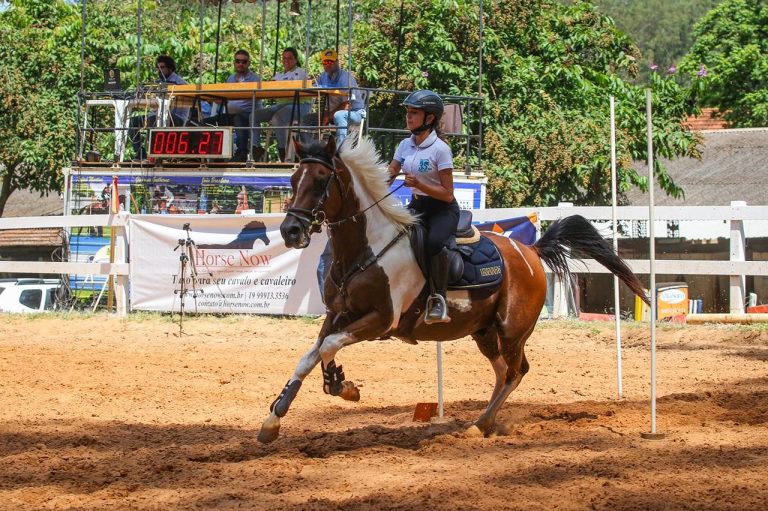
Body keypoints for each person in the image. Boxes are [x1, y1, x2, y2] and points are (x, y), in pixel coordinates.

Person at [387, 90, 458, 324]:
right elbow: (390, 173)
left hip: (442, 209)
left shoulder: (440, 149)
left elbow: (448, 194)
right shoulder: (404, 145)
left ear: (429, 118)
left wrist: (419, 184)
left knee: (434, 242)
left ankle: (438, 299)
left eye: (414, 113)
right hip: (418, 205)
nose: (408, 117)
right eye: (407, 112)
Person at [250, 48, 312, 161]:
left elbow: (295, 87)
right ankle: (256, 147)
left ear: (296, 60)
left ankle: (283, 152)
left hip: (300, 105)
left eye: (290, 58)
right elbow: (271, 89)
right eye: (284, 58)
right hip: (281, 106)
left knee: (277, 118)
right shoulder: (278, 75)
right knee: (254, 115)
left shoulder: (301, 72)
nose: (286, 61)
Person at [127, 55, 188, 161]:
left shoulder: (179, 82)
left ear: (170, 68)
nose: (159, 70)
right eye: (158, 68)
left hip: (176, 117)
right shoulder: (157, 82)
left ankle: (154, 155)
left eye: (162, 67)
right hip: (157, 115)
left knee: (153, 119)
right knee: (133, 122)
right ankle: (140, 154)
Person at [301, 49, 366, 146]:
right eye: (325, 62)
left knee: (339, 115)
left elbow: (348, 105)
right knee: (306, 119)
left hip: (355, 113)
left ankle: (342, 149)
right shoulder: (324, 76)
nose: (328, 64)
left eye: (331, 61)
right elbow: (314, 87)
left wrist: (328, 116)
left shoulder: (345, 78)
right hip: (333, 113)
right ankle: (309, 149)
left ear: (337, 62)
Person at [206, 50, 262, 161]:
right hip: (230, 114)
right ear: (234, 63)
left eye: (244, 62)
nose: (240, 64)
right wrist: (212, 98)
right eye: (238, 61)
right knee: (207, 122)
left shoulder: (254, 79)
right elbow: (226, 98)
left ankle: (242, 152)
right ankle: (214, 155)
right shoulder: (231, 78)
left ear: (249, 63)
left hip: (248, 115)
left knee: (238, 118)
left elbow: (256, 97)